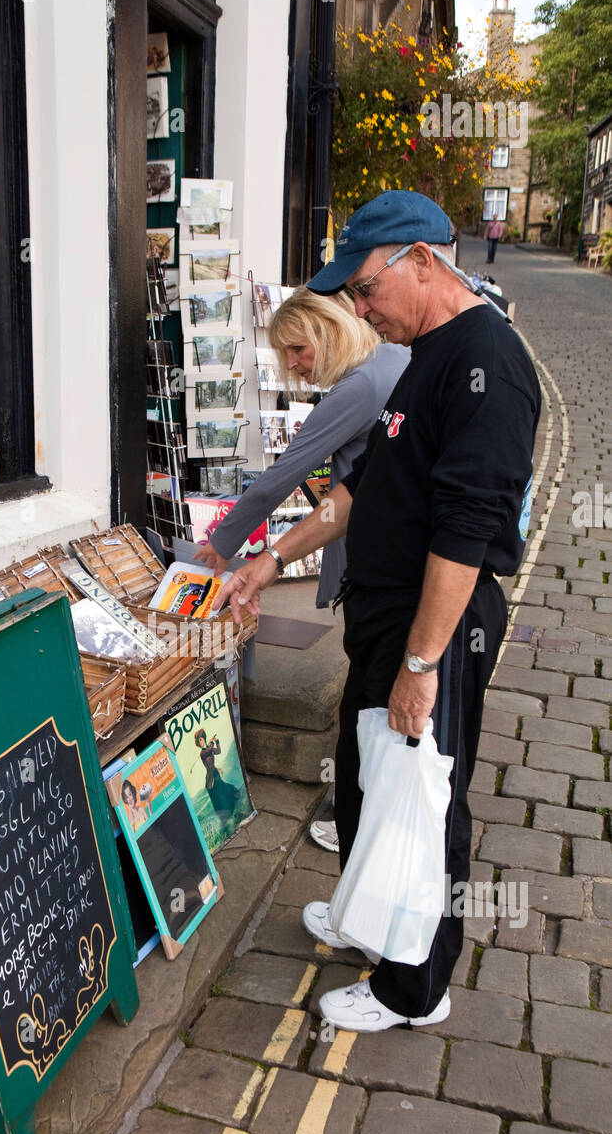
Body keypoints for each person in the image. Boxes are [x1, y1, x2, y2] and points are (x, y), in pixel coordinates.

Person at [214, 189, 539, 1034]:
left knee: (426, 796)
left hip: (435, 626)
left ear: (421, 262)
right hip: (383, 615)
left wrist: (423, 666)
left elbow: (467, 534)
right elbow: (364, 487)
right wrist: (273, 557)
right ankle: (373, 920)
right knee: (367, 784)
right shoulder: (423, 352)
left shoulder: (488, 365)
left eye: (364, 288)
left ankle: (413, 987)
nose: (360, 309)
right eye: (352, 297)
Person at [196, 287, 409, 611]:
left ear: (331, 333)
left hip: (374, 553)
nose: (292, 363)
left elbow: (281, 477)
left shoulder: (358, 388)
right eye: (285, 353)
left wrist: (222, 541)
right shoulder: (394, 356)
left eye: (297, 348)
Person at [195, 728, 240, 820]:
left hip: (215, 774)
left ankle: (230, 814)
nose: (200, 741)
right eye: (198, 740)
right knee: (218, 799)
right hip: (210, 779)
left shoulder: (208, 749)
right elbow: (209, 753)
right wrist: (211, 743)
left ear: (204, 738)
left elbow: (218, 751)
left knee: (226, 791)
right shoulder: (203, 752)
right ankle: (225, 818)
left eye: (201, 739)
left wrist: (217, 742)